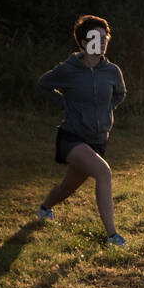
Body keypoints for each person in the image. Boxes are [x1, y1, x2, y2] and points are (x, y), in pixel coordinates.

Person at [35, 15, 127, 245]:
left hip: (98, 139)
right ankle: (112, 236)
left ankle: (45, 208)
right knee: (104, 173)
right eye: (97, 37)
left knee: (69, 187)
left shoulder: (112, 71)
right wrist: (65, 104)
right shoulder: (68, 69)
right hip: (72, 136)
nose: (103, 41)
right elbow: (43, 85)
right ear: (84, 42)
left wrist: (106, 110)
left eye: (105, 37)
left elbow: (120, 94)